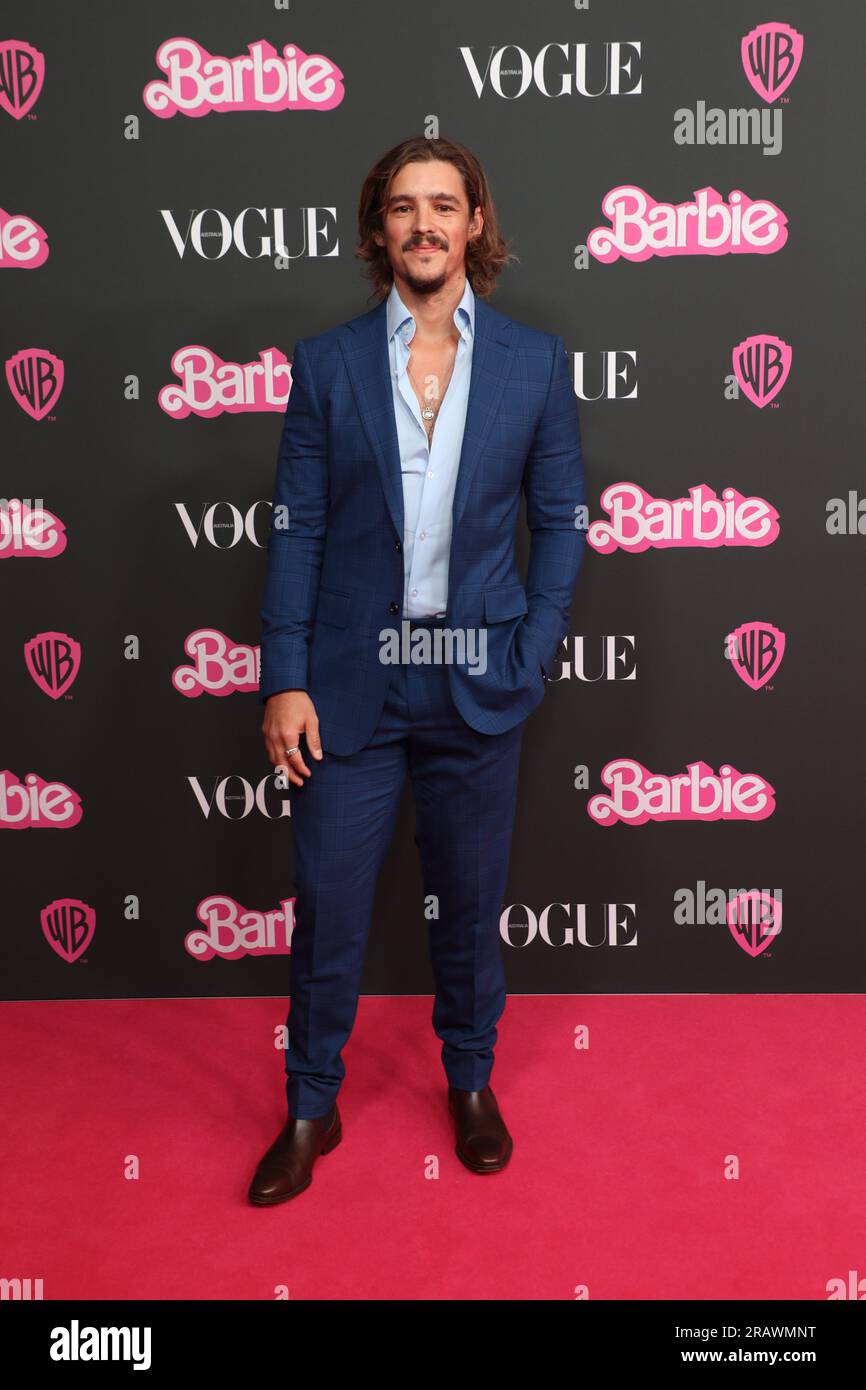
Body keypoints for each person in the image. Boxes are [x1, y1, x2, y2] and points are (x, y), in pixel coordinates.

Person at [249, 135, 585, 1205]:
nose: (424, 223)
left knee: (471, 898)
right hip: (352, 681)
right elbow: (295, 531)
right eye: (403, 207)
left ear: (475, 223)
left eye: (444, 204)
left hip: (476, 677)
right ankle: (310, 1102)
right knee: (327, 903)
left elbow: (559, 522)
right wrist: (283, 676)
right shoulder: (324, 363)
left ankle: (471, 1081)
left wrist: (532, 644)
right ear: (378, 230)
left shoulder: (533, 363)